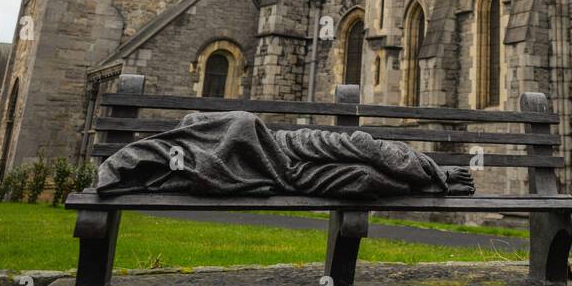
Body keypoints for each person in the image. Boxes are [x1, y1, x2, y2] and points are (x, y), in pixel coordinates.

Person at [96, 110, 475, 199]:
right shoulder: (175, 167)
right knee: (363, 178)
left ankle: (435, 174)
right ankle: (431, 183)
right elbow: (117, 174)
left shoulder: (190, 132)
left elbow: (241, 126)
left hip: (283, 145)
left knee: (360, 145)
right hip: (285, 175)